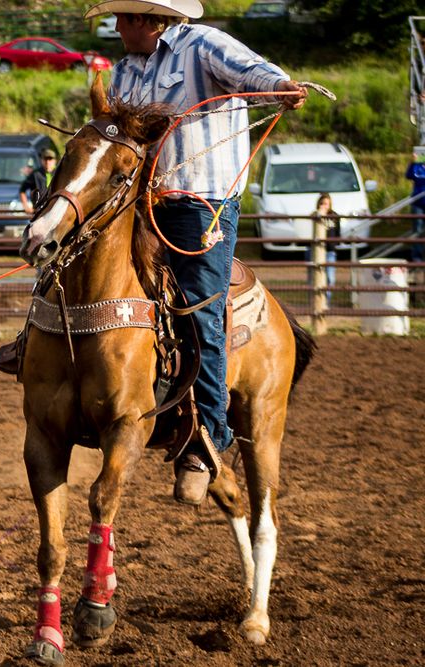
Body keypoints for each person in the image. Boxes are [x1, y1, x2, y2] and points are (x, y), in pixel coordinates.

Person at [79, 0, 307, 505]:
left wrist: (280, 87)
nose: (115, 27)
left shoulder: (204, 46)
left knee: (200, 306)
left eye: (121, 18)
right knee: (73, 256)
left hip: (200, 203)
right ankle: (40, 350)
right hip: (137, 203)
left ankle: (205, 442)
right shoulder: (120, 76)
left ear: (145, 20)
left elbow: (254, 71)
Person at [308, 192, 340, 304]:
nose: (324, 206)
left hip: (330, 251)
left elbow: (337, 233)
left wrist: (335, 245)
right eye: (322, 203)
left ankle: (326, 302)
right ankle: (314, 302)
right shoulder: (314, 215)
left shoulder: (334, 216)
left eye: (326, 204)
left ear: (330, 204)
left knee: (330, 278)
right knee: (314, 277)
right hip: (315, 251)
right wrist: (319, 214)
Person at [19, 148, 56, 214]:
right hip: (38, 212)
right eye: (45, 159)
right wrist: (26, 206)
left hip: (55, 210)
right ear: (41, 160)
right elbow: (22, 190)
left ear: (54, 161)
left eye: (50, 159)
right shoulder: (35, 174)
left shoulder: (59, 173)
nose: (47, 162)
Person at [406, 151, 425, 264]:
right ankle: (417, 258)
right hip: (418, 203)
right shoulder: (417, 165)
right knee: (417, 230)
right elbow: (408, 175)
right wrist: (412, 162)